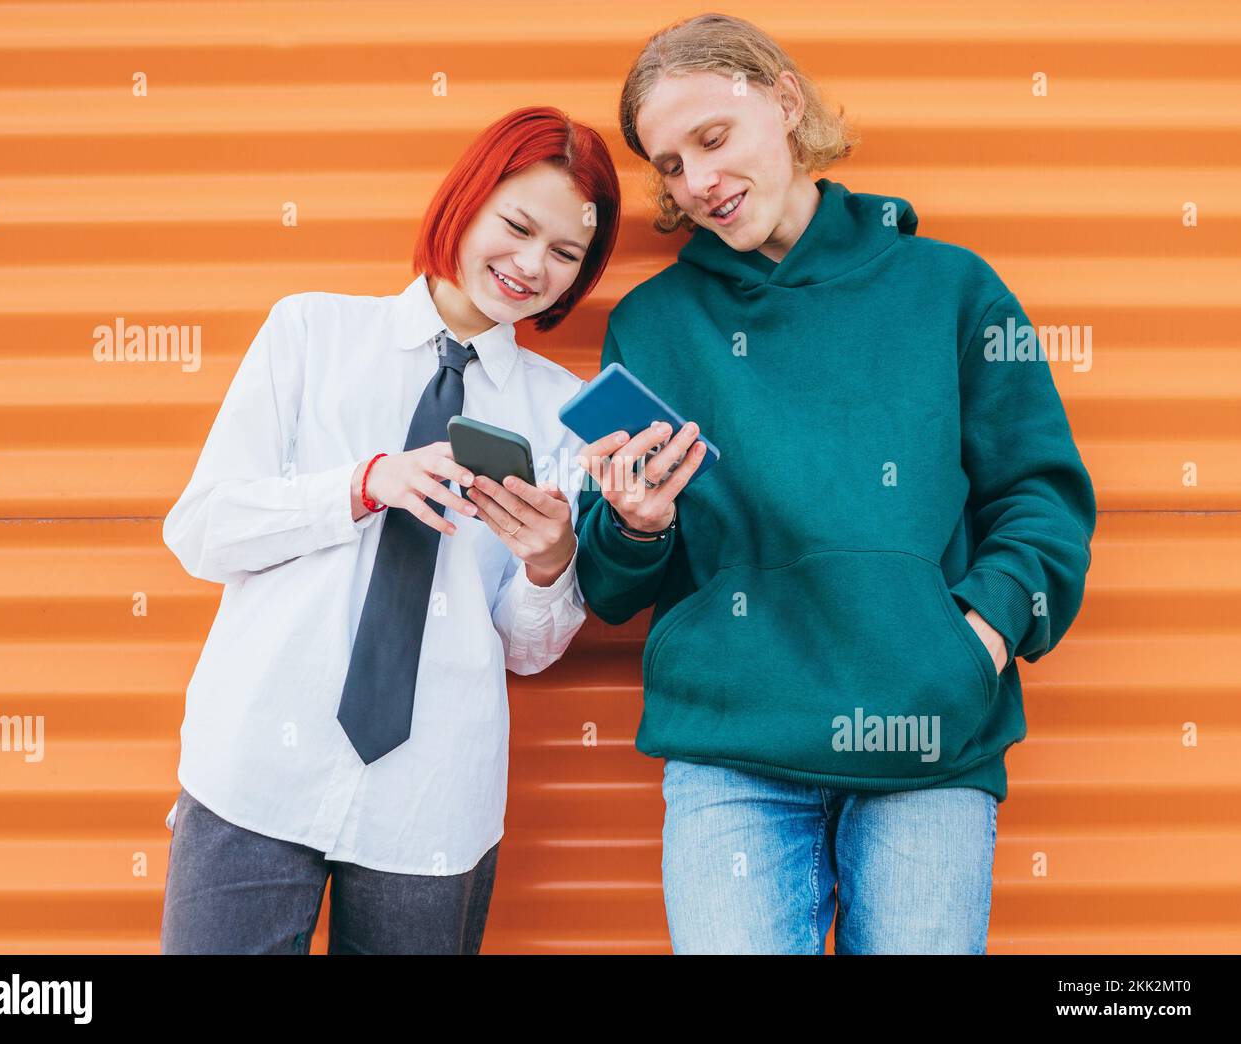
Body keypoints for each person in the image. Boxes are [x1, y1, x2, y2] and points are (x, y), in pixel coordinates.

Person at [573, 13, 1097, 954]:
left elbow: (1039, 495)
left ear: (783, 100)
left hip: (929, 734)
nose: (698, 183)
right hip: (730, 751)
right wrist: (635, 527)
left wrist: (973, 640)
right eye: (671, 164)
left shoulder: (949, 287)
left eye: (713, 138)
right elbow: (611, 588)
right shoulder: (652, 325)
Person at [159, 106, 620, 954]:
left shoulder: (562, 412)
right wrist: (363, 484)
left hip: (432, 800)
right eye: (516, 227)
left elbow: (526, 649)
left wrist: (554, 564)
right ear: (467, 200)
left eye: (565, 254)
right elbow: (204, 529)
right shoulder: (312, 332)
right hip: (257, 767)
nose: (530, 267)